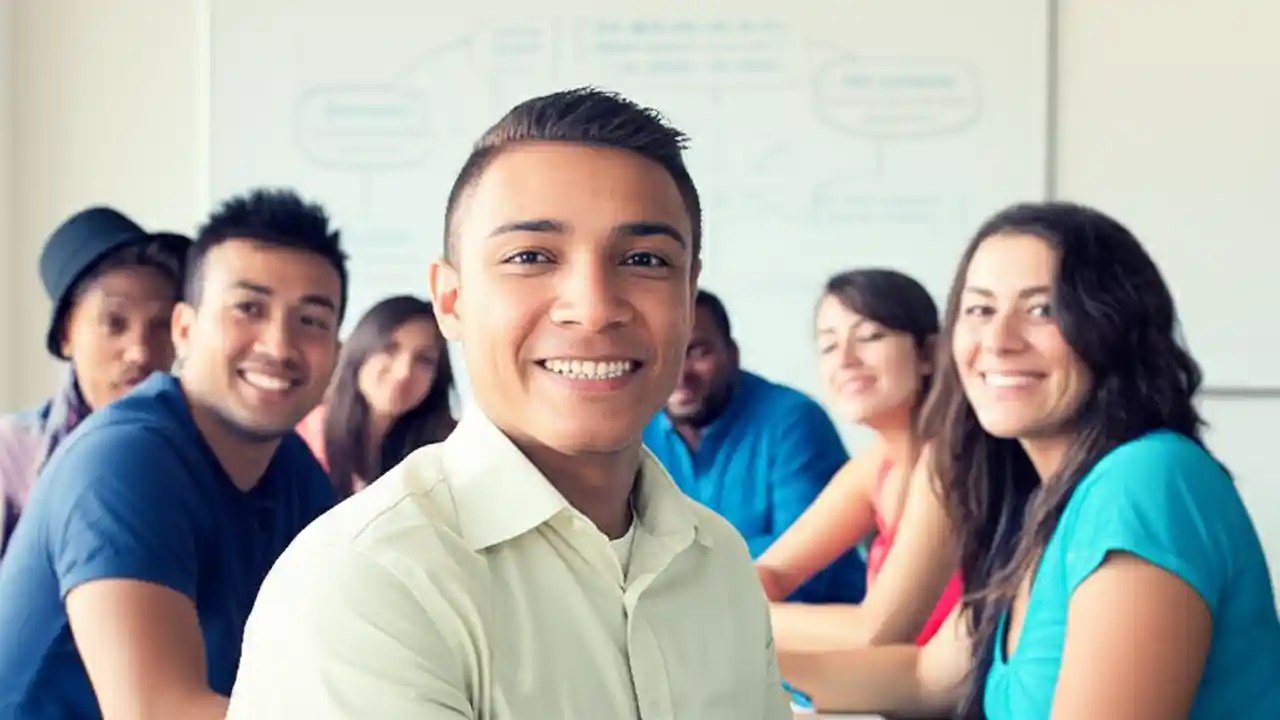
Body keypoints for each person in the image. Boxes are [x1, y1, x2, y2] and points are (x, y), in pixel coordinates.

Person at [226, 87, 793, 719]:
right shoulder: (372, 579)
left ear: (689, 301)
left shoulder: (718, 560)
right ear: (451, 300)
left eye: (644, 259)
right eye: (531, 257)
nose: (594, 306)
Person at [776, 202, 1280, 719]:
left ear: (1112, 326)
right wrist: (719, 664)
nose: (998, 341)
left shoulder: (1143, 483)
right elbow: (925, 677)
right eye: (980, 309)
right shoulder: (1039, 503)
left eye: (1042, 309)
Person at [0, 189, 345, 719]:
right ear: (185, 329)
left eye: (311, 320)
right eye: (248, 308)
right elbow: (156, 714)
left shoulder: (294, 471)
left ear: (337, 353)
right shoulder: (123, 459)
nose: (278, 345)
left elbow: (344, 644)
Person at [757, 269, 964, 650]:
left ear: (929, 354)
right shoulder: (877, 465)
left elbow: (875, 632)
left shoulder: (951, 461)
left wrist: (731, 613)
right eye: (829, 346)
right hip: (894, 691)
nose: (846, 360)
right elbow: (771, 573)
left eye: (870, 336)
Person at [643, 289, 864, 603]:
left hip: (813, 634)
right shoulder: (632, 430)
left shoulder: (792, 421)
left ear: (732, 354)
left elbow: (808, 573)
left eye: (696, 351)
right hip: (691, 632)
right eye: (662, 353)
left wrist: (667, 568)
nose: (679, 374)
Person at [0, 207, 189, 555]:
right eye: (114, 323)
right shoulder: (12, 453)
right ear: (66, 334)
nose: (140, 352)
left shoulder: (204, 454)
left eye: (161, 324)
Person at [296, 294, 457, 498]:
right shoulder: (302, 440)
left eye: (424, 360)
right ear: (360, 351)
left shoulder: (441, 456)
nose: (403, 372)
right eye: (390, 349)